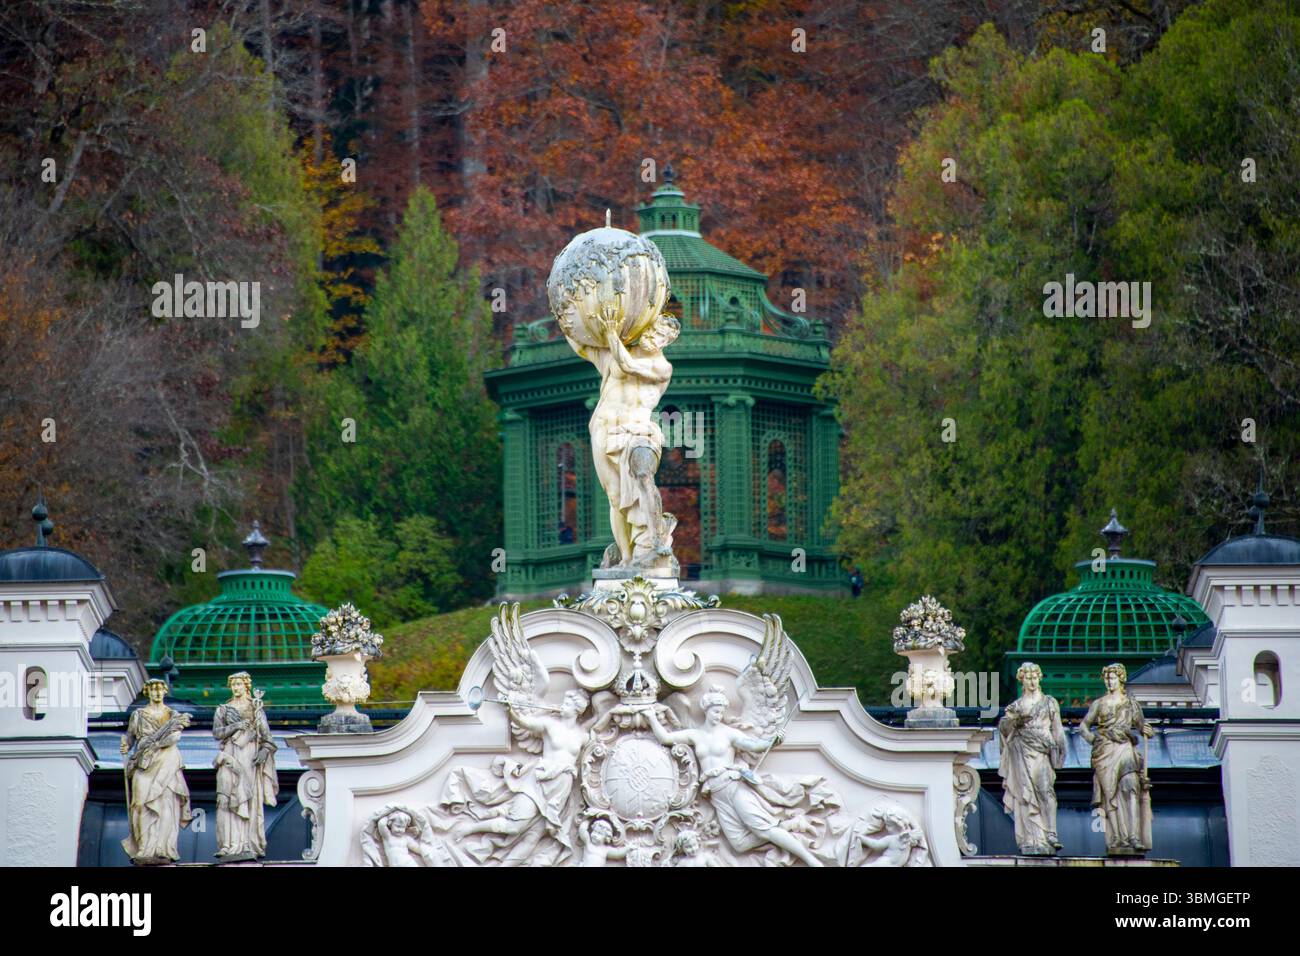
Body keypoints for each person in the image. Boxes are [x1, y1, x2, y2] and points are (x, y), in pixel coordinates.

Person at [647, 685, 822, 866]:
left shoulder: (728, 733)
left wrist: (772, 740)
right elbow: (666, 738)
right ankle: (788, 825)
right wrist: (652, 717)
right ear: (706, 710)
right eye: (715, 711)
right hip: (716, 795)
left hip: (732, 786)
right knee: (739, 844)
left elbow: (753, 745)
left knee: (763, 830)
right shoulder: (695, 735)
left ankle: (810, 859)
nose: (718, 715)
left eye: (721, 712)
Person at [565, 307, 680, 570]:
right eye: (652, 330)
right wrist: (567, 314)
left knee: (642, 475)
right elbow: (582, 346)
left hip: (637, 432)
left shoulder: (661, 367)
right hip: (604, 430)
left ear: (668, 341)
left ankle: (654, 543)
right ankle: (627, 560)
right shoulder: (612, 357)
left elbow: (628, 365)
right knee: (615, 498)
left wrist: (612, 333)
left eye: (661, 334)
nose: (654, 336)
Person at [1079, 663, 1154, 854]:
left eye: (1113, 678)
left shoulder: (1130, 704)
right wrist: (1093, 740)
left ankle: (1134, 836)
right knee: (1109, 796)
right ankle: (1118, 838)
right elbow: (1083, 727)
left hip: (1124, 747)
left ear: (1121, 679)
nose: (1110, 682)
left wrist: (1146, 729)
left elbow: (1142, 725)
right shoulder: (1099, 703)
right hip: (1104, 752)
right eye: (1107, 678)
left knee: (1130, 786)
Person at [121, 679, 192, 864]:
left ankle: (162, 847)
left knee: (166, 802)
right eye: (153, 690)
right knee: (139, 803)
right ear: (148, 692)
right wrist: (125, 745)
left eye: (160, 689)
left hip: (167, 759)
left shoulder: (172, 715)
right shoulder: (138, 714)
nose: (157, 693)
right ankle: (145, 847)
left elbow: (175, 736)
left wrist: (156, 744)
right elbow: (130, 737)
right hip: (144, 763)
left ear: (165, 691)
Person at [998, 662, 1066, 854]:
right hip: (1021, 752)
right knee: (1025, 797)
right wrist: (1012, 721)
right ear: (1022, 680)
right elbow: (1003, 730)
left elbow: (1057, 730)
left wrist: (1061, 751)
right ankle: (1032, 839)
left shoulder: (1049, 702)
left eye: (1035, 677)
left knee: (1045, 790)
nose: (1032, 681)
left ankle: (1051, 832)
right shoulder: (1016, 706)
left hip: (1042, 752)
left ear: (1039, 678)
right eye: (1028, 677)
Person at [212, 671, 279, 861]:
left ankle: (248, 843)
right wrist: (236, 726)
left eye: (239, 684)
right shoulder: (223, 709)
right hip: (229, 756)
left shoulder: (255, 708)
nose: (236, 688)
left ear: (246, 686)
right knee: (225, 797)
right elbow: (217, 732)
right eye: (233, 685)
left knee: (249, 800)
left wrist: (264, 752)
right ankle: (228, 844)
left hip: (249, 758)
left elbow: (267, 739)